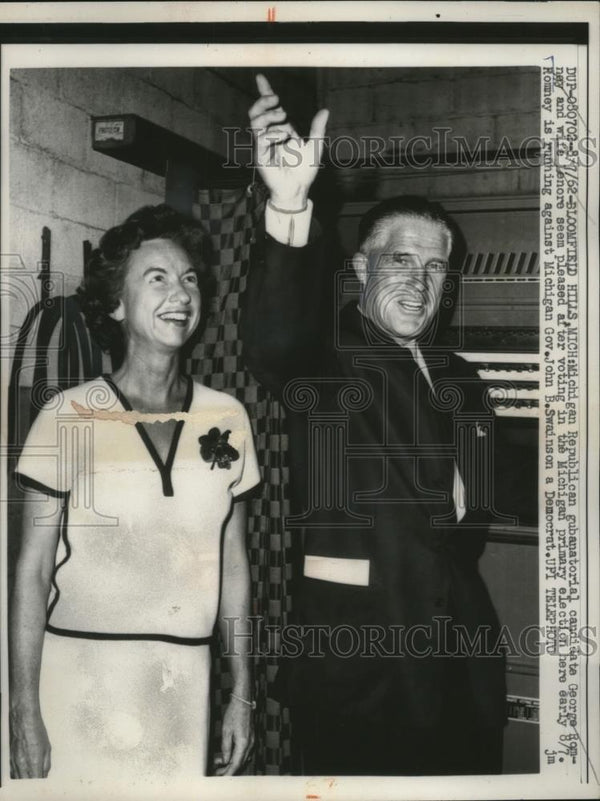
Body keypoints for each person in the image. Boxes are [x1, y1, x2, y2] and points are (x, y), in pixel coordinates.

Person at [241, 75, 506, 776]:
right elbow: (275, 336)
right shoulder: (327, 353)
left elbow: (470, 522)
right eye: (400, 259)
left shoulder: (464, 381)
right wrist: (289, 201)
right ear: (360, 267)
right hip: (360, 674)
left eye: (436, 268)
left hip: (460, 676)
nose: (419, 281)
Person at [10, 204, 260, 782]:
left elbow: (235, 568)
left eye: (190, 278)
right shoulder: (67, 414)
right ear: (117, 303)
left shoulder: (229, 417)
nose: (181, 292)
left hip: (182, 683)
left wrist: (241, 694)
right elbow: (32, 569)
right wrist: (23, 709)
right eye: (158, 278)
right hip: (81, 678)